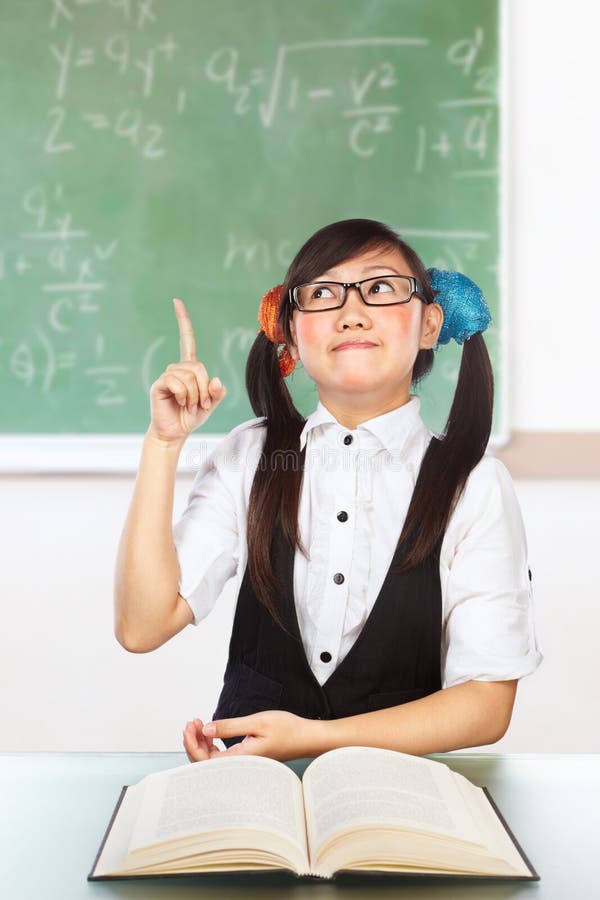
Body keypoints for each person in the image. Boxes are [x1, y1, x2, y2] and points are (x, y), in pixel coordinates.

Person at [114, 218, 542, 764]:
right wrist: (163, 443)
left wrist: (313, 738)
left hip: (401, 803)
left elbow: (485, 707)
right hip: (252, 796)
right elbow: (142, 626)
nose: (352, 312)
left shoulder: (474, 485)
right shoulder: (251, 457)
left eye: (380, 288)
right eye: (322, 293)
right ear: (289, 331)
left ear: (430, 324)